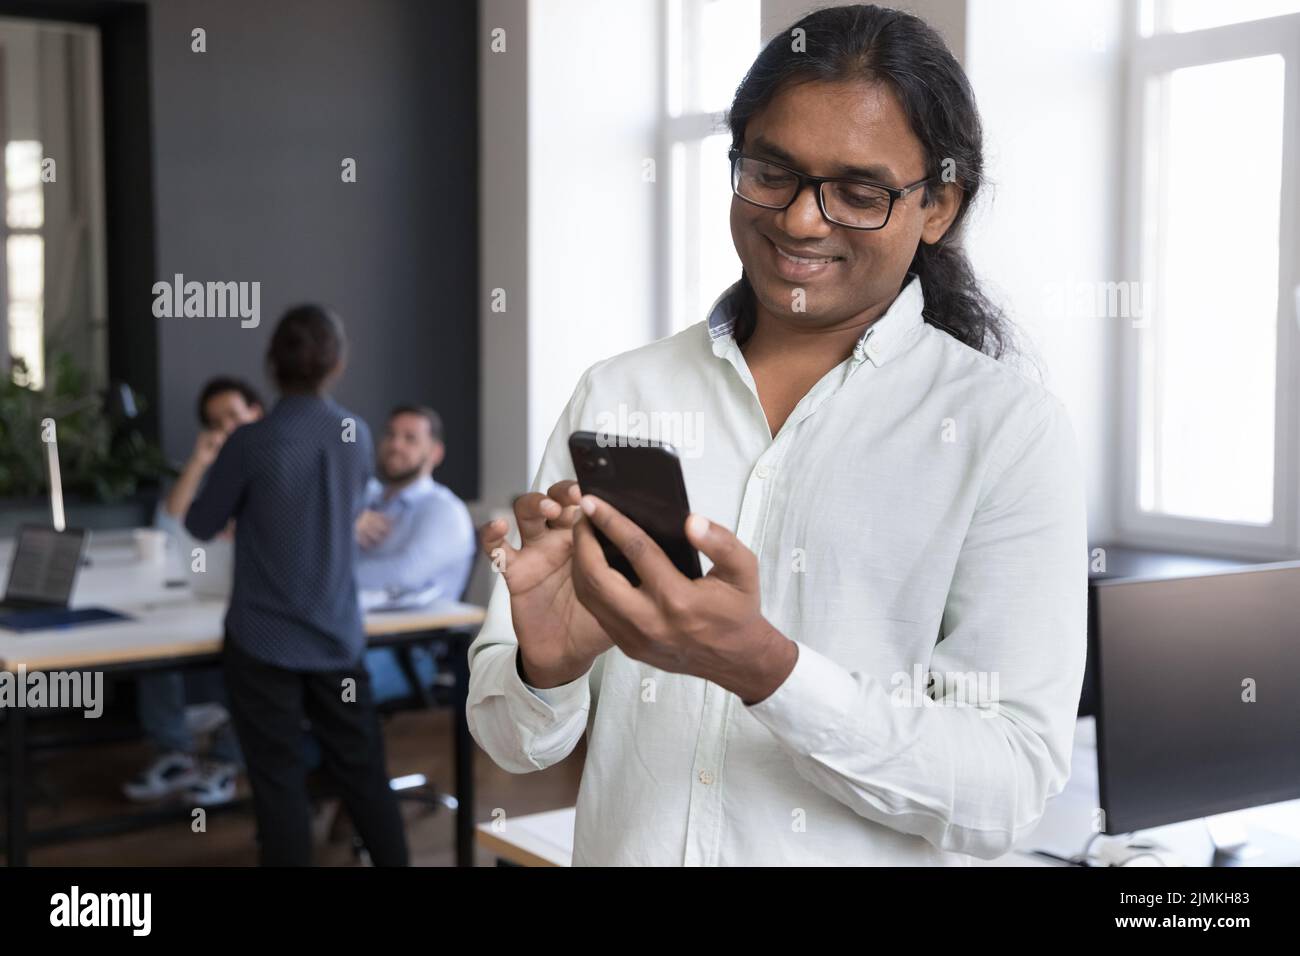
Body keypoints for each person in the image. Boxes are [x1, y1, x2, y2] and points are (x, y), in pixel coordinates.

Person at [468, 4, 1087, 866]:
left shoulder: (1004, 432)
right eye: (772, 171)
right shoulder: (621, 393)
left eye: (858, 192)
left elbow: (1008, 789)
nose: (800, 220)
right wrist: (548, 669)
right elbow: (510, 742)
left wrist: (770, 670)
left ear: (938, 205)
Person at [185, 304, 408, 866]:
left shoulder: (252, 441)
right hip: (336, 636)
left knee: (279, 784)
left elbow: (200, 524)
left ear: (272, 363)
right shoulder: (355, 434)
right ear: (337, 361)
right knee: (364, 776)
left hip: (262, 642)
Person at [123, 377, 262, 806]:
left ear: (257, 412)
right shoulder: (220, 476)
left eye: (235, 416)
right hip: (210, 597)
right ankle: (175, 752)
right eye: (217, 423)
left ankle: (225, 760)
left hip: (261, 605)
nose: (227, 428)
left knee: (258, 647)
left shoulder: (279, 465)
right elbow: (168, 530)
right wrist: (200, 463)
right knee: (154, 634)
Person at [355, 405, 476, 703]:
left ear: (435, 453)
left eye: (410, 438)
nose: (396, 444)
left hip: (407, 650)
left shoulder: (444, 510)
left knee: (312, 681)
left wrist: (324, 576)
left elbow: (401, 576)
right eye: (391, 435)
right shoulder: (364, 500)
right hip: (349, 629)